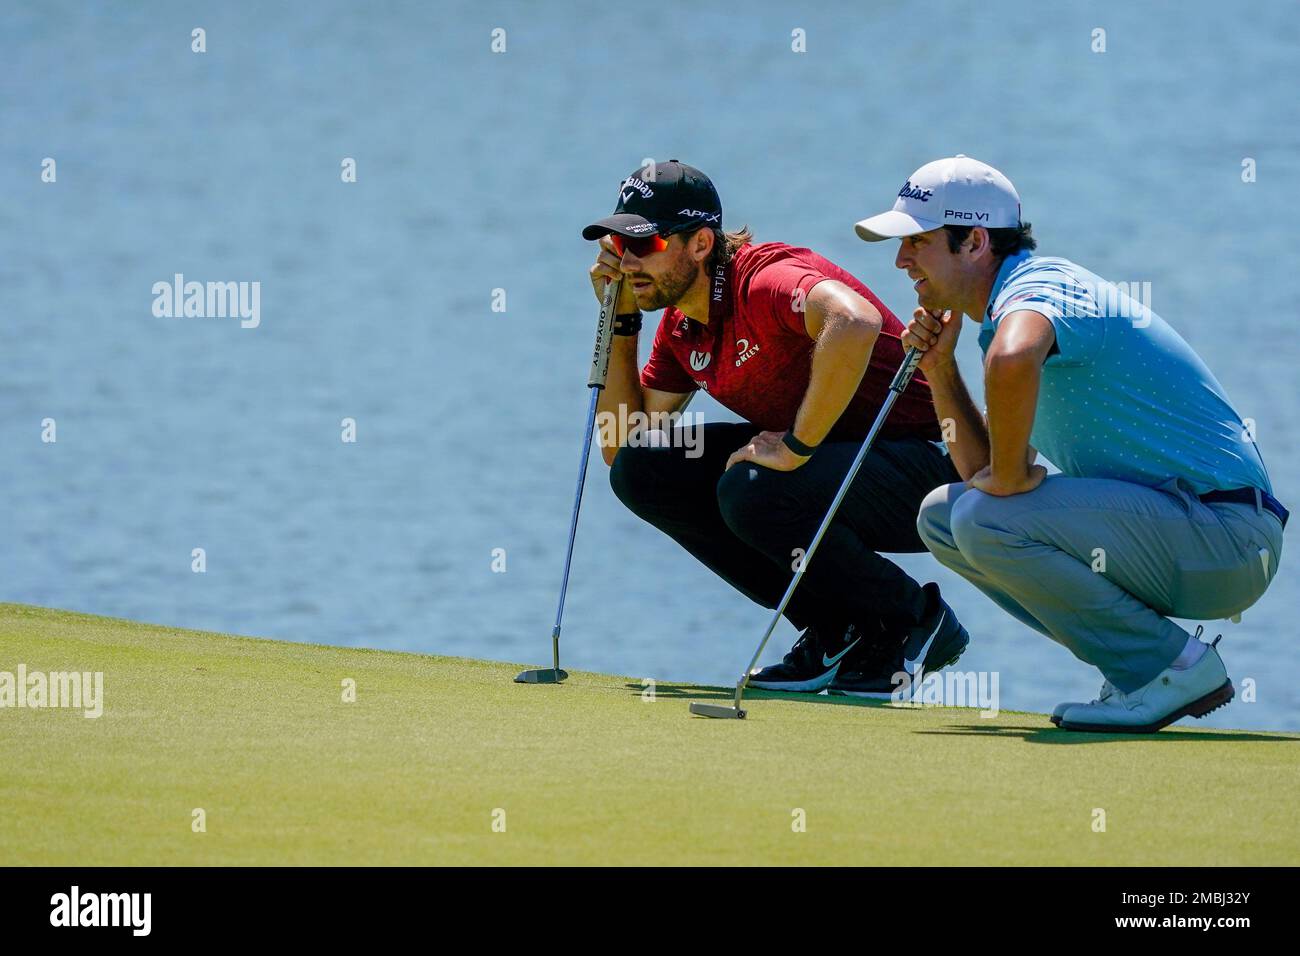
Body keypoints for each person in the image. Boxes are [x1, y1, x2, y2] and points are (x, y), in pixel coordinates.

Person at [854, 154, 1286, 731]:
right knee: (944, 516)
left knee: (982, 516)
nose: (902, 259)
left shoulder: (1040, 287)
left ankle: (1169, 667)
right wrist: (941, 369)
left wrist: (1006, 480)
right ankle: (1139, 665)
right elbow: (982, 470)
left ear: (975, 241)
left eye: (919, 241)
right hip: (1181, 536)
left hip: (1226, 535)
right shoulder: (1002, 315)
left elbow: (1011, 366)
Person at [583, 159, 970, 695]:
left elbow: (854, 321)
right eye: (618, 247)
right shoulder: (680, 327)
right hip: (829, 475)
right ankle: (839, 630)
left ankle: (917, 618)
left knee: (753, 488)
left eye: (644, 246)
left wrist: (795, 447)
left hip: (929, 470)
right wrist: (619, 317)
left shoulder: (764, 279)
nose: (627, 262)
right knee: (643, 470)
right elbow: (620, 445)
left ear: (700, 243)